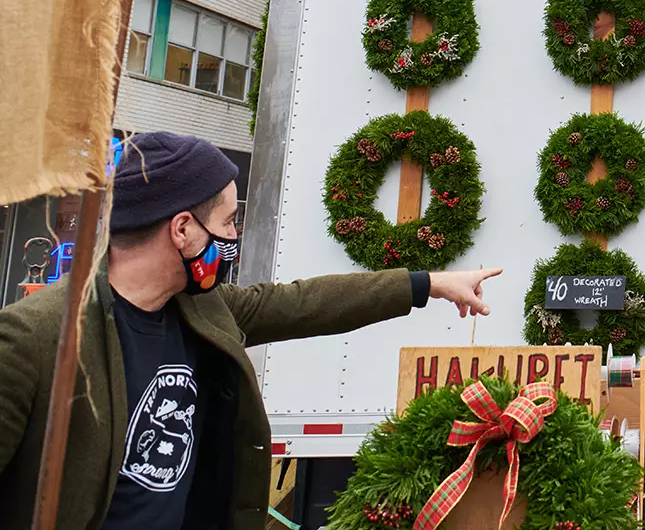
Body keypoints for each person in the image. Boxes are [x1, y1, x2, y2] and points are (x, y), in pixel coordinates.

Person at [0, 131, 502, 530]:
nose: (233, 236)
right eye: (228, 221)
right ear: (182, 229)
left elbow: (302, 303)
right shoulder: (35, 337)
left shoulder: (201, 308)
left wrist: (429, 284)